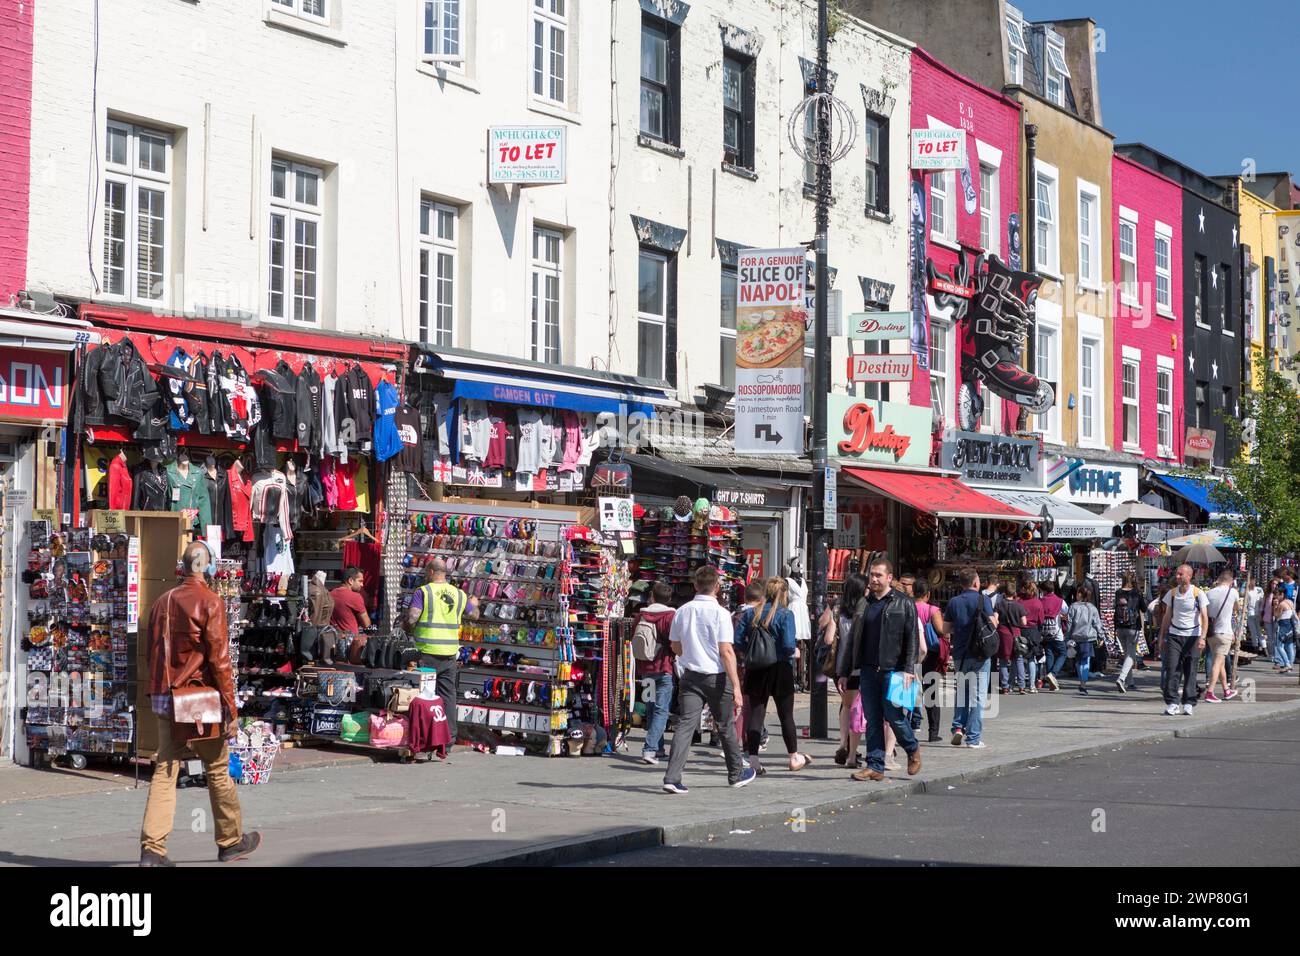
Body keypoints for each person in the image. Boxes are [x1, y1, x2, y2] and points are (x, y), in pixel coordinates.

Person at [140, 541, 261, 866]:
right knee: (218, 769)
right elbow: (220, 662)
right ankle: (230, 840)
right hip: (197, 700)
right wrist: (231, 710)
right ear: (208, 568)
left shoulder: (162, 601)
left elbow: (151, 650)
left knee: (165, 770)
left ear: (182, 566)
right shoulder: (210, 602)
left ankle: (153, 848)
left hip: (165, 696)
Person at [661, 565, 755, 794]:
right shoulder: (721, 614)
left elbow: (675, 646)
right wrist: (736, 686)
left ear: (695, 585)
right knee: (724, 725)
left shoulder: (682, 611)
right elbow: (726, 651)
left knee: (685, 724)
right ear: (717, 587)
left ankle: (672, 776)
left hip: (691, 676)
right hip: (717, 676)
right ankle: (735, 773)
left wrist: (690, 654)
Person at [839, 557, 921, 780]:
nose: (873, 579)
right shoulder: (865, 603)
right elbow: (853, 640)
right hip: (867, 669)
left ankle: (912, 748)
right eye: (872, 575)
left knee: (894, 716)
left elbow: (911, 637)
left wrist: (908, 669)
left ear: (889, 578)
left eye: (878, 575)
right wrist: (845, 671)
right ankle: (875, 765)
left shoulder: (903, 603)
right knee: (873, 718)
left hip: (893, 670)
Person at [736, 577, 810, 773]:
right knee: (786, 716)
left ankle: (753, 760)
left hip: (756, 668)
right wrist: (789, 653)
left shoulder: (750, 613)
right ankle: (793, 757)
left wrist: (752, 652)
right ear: (784, 594)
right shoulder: (786, 614)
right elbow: (787, 645)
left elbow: (737, 640)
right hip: (780, 668)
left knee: (756, 714)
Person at [405, 559, 479, 743]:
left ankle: (423, 736)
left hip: (426, 653)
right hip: (449, 653)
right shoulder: (459, 594)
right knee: (448, 696)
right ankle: (449, 737)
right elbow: (474, 615)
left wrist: (406, 626)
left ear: (430, 572)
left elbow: (413, 617)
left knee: (422, 696)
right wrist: (474, 603)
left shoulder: (424, 591)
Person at [943, 567, 996, 749]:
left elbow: (945, 629)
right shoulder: (984, 599)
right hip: (980, 653)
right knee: (978, 696)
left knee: (962, 693)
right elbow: (992, 624)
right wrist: (995, 617)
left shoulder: (954, 602)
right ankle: (973, 738)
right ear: (975, 582)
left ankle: (958, 727)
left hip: (960, 654)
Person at [635, 581, 677, 765]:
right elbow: (674, 641)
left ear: (652, 595)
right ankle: (650, 749)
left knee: (651, 708)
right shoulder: (670, 616)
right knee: (661, 710)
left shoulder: (641, 615)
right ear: (669, 599)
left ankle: (658, 748)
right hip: (664, 669)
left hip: (645, 670)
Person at [1159, 564, 1209, 716]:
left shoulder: (1198, 594)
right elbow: (1167, 616)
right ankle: (1173, 702)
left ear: (1189, 575)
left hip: (1193, 636)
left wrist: (1203, 638)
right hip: (1175, 635)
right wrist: (1161, 636)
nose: (1178, 576)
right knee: (1172, 668)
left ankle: (1188, 702)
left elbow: (1205, 618)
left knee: (1190, 670)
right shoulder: (1172, 594)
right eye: (1177, 574)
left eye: (1181, 574)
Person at [832, 574, 867, 766]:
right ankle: (852, 752)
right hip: (858, 665)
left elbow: (829, 638)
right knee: (858, 709)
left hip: (841, 666)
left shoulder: (837, 609)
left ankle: (842, 743)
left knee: (846, 706)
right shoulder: (864, 610)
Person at [914, 577, 949, 740]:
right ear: (927, 594)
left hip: (912, 653)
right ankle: (933, 733)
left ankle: (909, 726)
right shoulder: (932, 610)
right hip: (931, 655)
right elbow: (941, 630)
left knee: (910, 691)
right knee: (931, 694)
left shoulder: (908, 607)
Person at [1203, 570, 1240, 702]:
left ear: (1218, 580)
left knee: (1221, 663)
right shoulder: (1233, 592)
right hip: (1225, 632)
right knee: (1218, 662)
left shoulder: (1208, 593)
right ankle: (1210, 692)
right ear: (1230, 581)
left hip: (1211, 633)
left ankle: (1226, 690)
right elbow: (1236, 608)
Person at [1065, 583, 1102, 695]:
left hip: (1075, 637)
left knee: (1078, 660)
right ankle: (1083, 683)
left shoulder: (1073, 607)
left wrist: (1067, 636)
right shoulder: (1092, 608)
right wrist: (1100, 636)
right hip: (1088, 637)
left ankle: (1082, 682)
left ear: (1080, 594)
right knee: (1085, 661)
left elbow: (1069, 624)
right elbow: (1097, 624)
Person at [331, 566, 372, 663]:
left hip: (333, 644)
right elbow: (366, 624)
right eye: (360, 581)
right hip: (350, 647)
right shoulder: (355, 597)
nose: (362, 585)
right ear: (350, 580)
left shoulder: (331, 593)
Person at [1113, 571, 1145, 694]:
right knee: (1131, 655)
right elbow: (1144, 608)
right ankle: (1121, 678)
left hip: (1120, 627)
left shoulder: (1118, 592)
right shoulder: (1136, 593)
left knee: (1127, 654)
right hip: (1133, 627)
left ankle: (1130, 682)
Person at [994, 581, 1026, 695]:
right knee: (1018, 659)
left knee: (1003, 660)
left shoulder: (999, 604)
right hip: (1016, 633)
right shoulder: (1019, 606)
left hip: (1003, 634)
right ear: (1014, 593)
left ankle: (1005, 687)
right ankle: (1022, 686)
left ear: (1004, 593)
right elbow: (1024, 621)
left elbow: (995, 620)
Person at [1016, 580, 1044, 694]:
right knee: (1031, 658)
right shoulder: (1038, 603)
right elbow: (1041, 620)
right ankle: (1032, 685)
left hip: (1021, 630)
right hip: (1033, 631)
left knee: (1020, 657)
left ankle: (1020, 683)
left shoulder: (1019, 602)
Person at [1039, 579, 1067, 691]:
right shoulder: (1060, 601)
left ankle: (1051, 681)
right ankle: (1053, 674)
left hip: (1044, 631)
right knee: (1063, 653)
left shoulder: (1040, 600)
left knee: (1049, 652)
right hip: (1056, 631)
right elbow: (1066, 611)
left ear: (1044, 590)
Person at [1272, 587, 1297, 674]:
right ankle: (1290, 664)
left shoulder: (1281, 604)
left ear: (1282, 595)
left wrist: (1275, 606)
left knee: (1279, 646)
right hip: (1290, 625)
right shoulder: (1290, 602)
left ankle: (1287, 664)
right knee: (1289, 646)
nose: (1275, 597)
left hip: (1282, 625)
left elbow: (1276, 616)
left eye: (1277, 595)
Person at [1244, 575, 1264, 653]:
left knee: (1257, 630)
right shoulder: (1248, 591)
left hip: (1256, 612)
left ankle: (1261, 646)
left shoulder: (1258, 589)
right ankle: (1257, 647)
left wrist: (1261, 611)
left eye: (1253, 581)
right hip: (1251, 612)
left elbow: (1262, 601)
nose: (1253, 583)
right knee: (1255, 631)